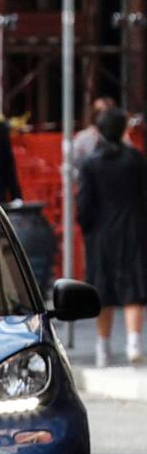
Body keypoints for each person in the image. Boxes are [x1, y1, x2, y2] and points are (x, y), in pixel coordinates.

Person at [77, 107, 147, 367]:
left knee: (102, 290)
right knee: (133, 287)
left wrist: (87, 228)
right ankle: (133, 342)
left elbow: (84, 202)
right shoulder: (135, 160)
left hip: (101, 234)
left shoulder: (91, 163)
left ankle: (102, 348)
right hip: (132, 230)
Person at [71, 96, 118, 183]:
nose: (104, 118)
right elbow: (70, 166)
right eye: (99, 113)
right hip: (91, 189)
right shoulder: (83, 137)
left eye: (108, 114)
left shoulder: (120, 137)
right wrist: (85, 177)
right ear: (94, 115)